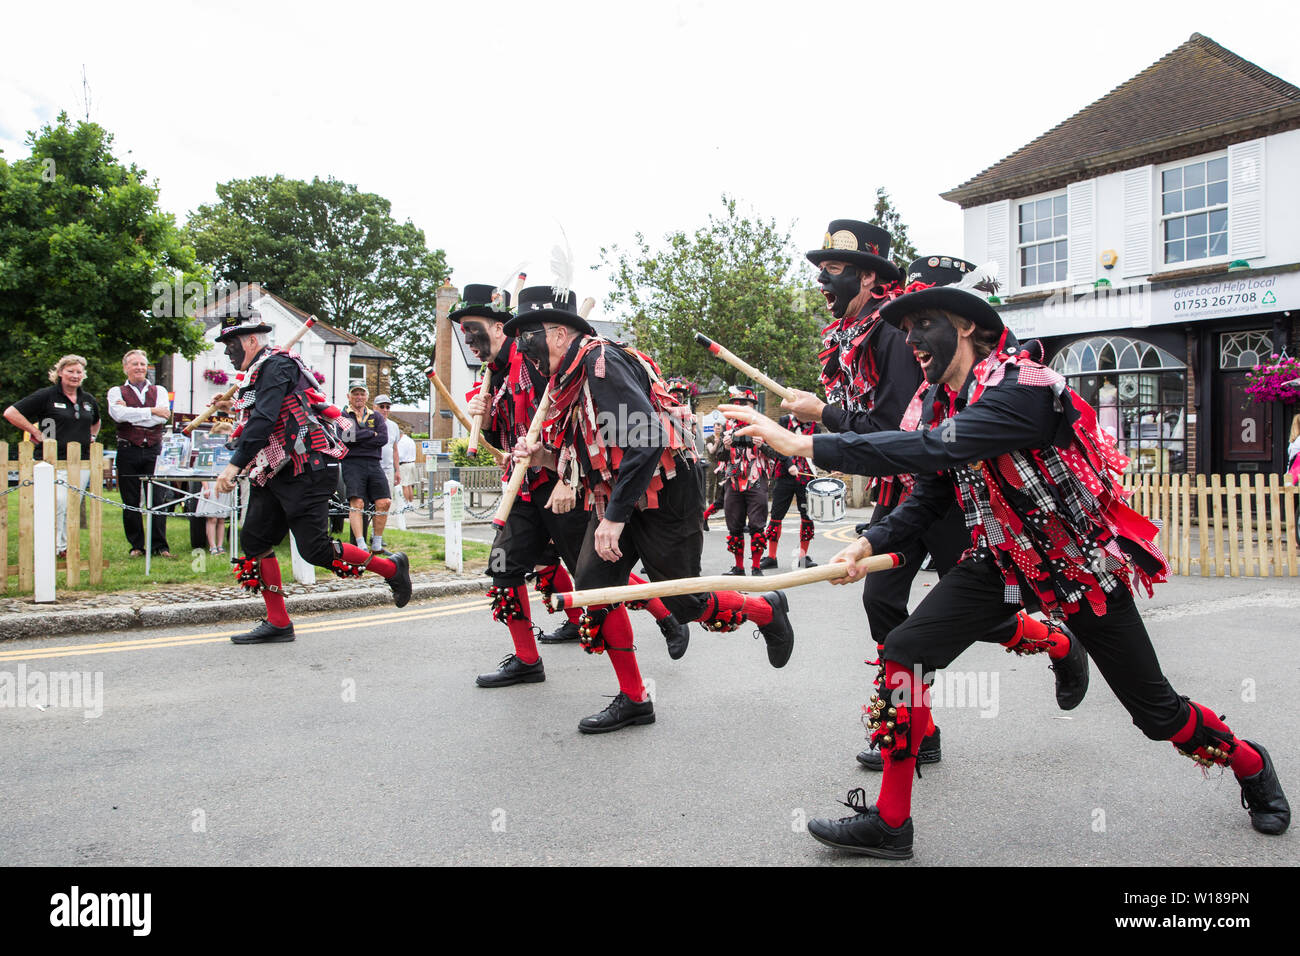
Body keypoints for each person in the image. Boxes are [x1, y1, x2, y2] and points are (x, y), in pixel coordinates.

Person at [723, 279, 1289, 857]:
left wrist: (805, 446)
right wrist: (869, 542)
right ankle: (891, 824)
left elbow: (940, 449)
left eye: (924, 325)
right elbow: (930, 493)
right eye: (905, 330)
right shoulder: (940, 401)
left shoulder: (1023, 387)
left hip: (1079, 567)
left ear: (967, 327)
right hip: (998, 562)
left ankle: (1250, 763)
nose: (912, 340)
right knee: (904, 650)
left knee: (1157, 714)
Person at [504, 289, 795, 733]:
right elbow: (588, 451)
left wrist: (613, 519)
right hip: (622, 492)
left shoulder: (601, 362)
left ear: (560, 334)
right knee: (595, 589)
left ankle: (765, 609)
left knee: (684, 603)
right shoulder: (566, 380)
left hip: (667, 492)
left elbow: (647, 440)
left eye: (527, 338)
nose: (523, 351)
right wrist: (542, 454)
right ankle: (636, 700)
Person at [457, 283, 691, 685]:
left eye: (472, 328)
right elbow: (506, 440)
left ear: (498, 327)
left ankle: (664, 618)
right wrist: (483, 415)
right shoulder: (493, 375)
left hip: (562, 486)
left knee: (594, 577)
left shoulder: (535, 357)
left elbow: (573, 424)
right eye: (463, 332)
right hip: (523, 486)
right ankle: (527, 660)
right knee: (504, 568)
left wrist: (567, 477)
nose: (469, 340)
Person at [213, 311, 411, 644]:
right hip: (274, 469)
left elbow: (264, 419)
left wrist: (234, 465)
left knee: (315, 550)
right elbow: (259, 421)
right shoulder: (259, 373)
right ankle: (278, 622)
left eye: (231, 344)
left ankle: (391, 569)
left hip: (309, 467)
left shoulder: (277, 367)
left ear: (250, 341)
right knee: (256, 542)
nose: (227, 352)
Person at [4, 354, 101, 556]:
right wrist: (35, 432)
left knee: (72, 505)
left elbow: (96, 421)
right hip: (51, 460)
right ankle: (53, 547)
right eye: (70, 371)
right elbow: (11, 412)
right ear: (59, 373)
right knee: (58, 503)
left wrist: (93, 436)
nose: (75, 376)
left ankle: (63, 547)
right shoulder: (46, 396)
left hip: (81, 461)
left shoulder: (88, 400)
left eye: (78, 372)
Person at [106, 349, 173, 558]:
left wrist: (133, 413)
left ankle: (160, 546)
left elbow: (163, 417)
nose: (139, 368)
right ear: (126, 367)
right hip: (128, 449)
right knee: (130, 501)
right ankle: (137, 545)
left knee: (159, 498)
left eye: (142, 364)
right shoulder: (115, 392)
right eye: (134, 364)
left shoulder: (159, 390)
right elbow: (118, 415)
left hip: (154, 450)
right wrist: (151, 411)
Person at [719, 385, 779, 575]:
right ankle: (739, 567)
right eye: (736, 405)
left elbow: (776, 454)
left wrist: (761, 445)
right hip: (733, 479)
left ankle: (755, 567)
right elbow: (720, 457)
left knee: (757, 524)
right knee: (734, 523)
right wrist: (726, 447)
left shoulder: (763, 426)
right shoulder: (727, 428)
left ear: (752, 406)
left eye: (743, 405)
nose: (739, 409)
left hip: (756, 479)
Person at [340, 382, 393, 553]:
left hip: (373, 462)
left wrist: (358, 437)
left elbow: (383, 439)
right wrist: (371, 434)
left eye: (362, 394)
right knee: (357, 502)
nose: (359, 397)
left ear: (367, 397)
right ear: (349, 396)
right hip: (352, 463)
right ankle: (360, 544)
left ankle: (377, 542)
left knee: (384, 502)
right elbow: (345, 438)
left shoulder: (376, 417)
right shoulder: (344, 415)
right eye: (355, 394)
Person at [761, 414, 819, 570]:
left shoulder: (815, 427)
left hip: (806, 478)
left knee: (807, 517)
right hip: (785, 477)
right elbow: (778, 444)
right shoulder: (784, 421)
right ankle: (772, 557)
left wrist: (831, 466)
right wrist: (789, 464)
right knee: (776, 516)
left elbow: (819, 451)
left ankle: (803, 557)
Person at [196, 418, 235, 554]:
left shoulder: (230, 451)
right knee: (212, 518)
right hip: (211, 484)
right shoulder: (208, 450)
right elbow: (202, 470)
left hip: (223, 483)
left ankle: (220, 545)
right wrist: (206, 488)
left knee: (221, 518)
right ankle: (212, 546)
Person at [373, 394, 403, 511]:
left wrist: (397, 471)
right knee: (373, 501)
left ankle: (380, 528)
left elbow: (395, 449)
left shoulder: (393, 426)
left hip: (388, 469)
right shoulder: (369, 423)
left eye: (387, 407)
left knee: (386, 501)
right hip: (374, 467)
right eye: (382, 406)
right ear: (375, 407)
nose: (385, 410)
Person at [396, 426, 419, 511]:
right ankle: (410, 503)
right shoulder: (410, 440)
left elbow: (400, 455)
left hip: (404, 464)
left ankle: (405, 504)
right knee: (410, 485)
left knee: (404, 485)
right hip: (412, 463)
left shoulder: (402, 442)